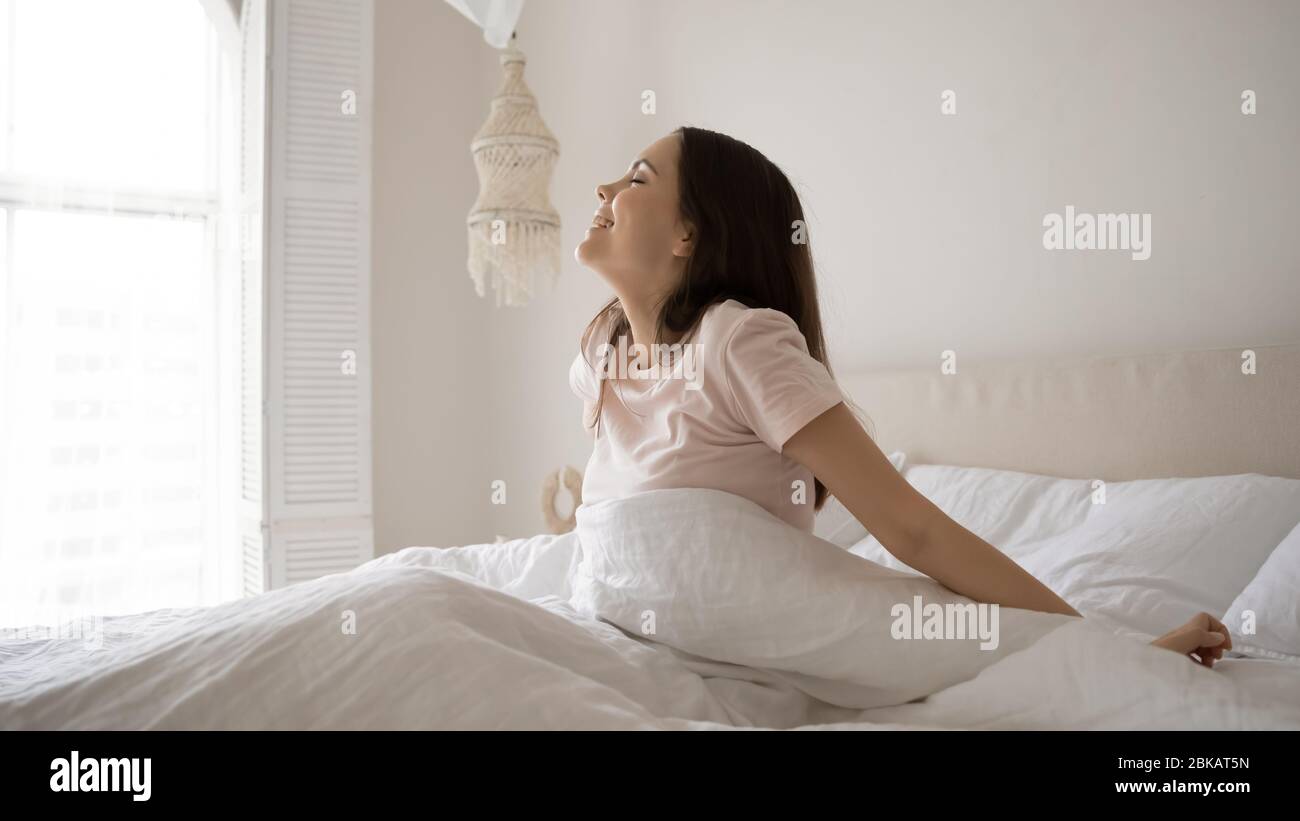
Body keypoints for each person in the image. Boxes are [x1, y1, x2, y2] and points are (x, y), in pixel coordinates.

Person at [571, 126, 1230, 668]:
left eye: (637, 178)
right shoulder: (602, 349)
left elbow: (911, 527)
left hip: (736, 646)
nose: (604, 188)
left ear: (689, 233)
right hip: (634, 637)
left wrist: (1115, 652)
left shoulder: (742, 342)